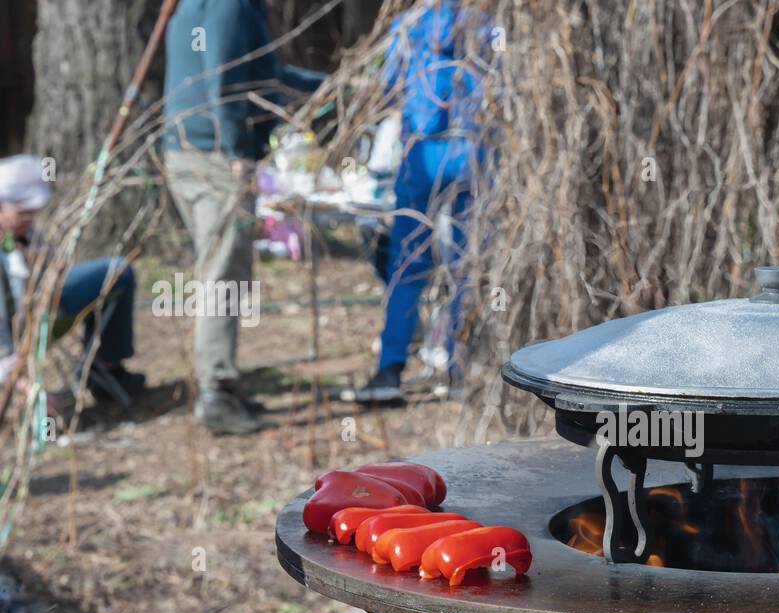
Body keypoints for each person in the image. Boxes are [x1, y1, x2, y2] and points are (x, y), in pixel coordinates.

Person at [163, 0, 325, 434]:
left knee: (225, 269)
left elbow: (266, 76)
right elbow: (223, 80)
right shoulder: (228, 5)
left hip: (199, 152)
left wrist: (332, 84)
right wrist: (238, 151)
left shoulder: (217, 8)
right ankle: (215, 392)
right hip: (213, 157)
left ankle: (223, 385)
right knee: (222, 270)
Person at [345, 0, 488, 404]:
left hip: (421, 151)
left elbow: (388, 88)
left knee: (407, 262)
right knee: (466, 263)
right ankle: (461, 369)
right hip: (471, 150)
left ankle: (390, 370)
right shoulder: (484, 23)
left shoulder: (408, 26)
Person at [0, 155, 144, 403]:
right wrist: (20, 380)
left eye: (32, 214)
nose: (28, 221)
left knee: (119, 271)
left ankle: (106, 365)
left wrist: (41, 260)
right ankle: (106, 368)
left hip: (46, 305)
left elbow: (55, 266)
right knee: (117, 270)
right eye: (23, 213)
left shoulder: (22, 237)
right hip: (26, 326)